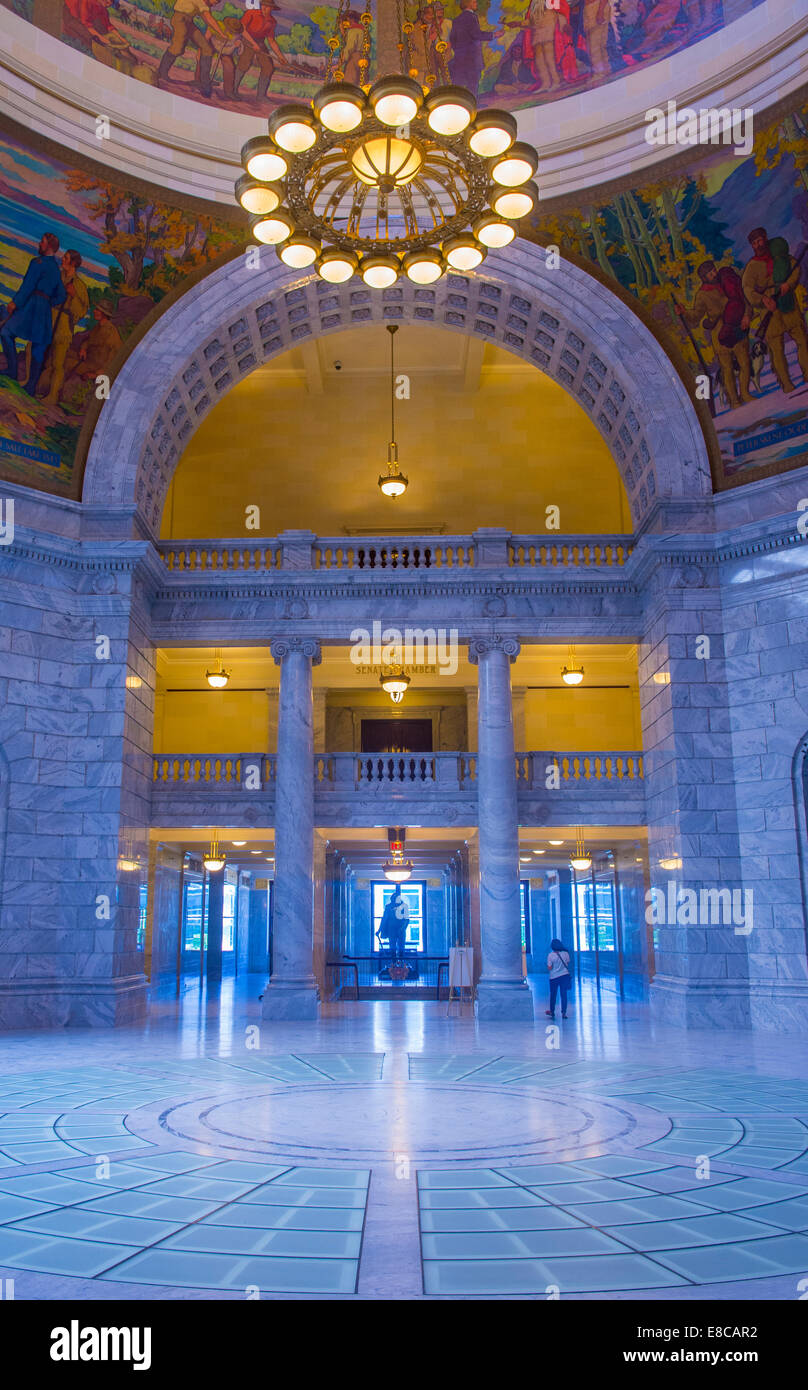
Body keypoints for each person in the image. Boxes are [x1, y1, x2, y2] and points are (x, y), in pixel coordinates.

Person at [675, 260, 753, 409]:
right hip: (719, 333)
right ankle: (734, 400)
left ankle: (745, 393)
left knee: (745, 362)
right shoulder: (702, 295)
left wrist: (747, 315)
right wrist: (684, 312)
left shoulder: (727, 281)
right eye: (710, 273)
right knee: (727, 367)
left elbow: (742, 299)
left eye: (713, 270)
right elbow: (696, 316)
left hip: (737, 326)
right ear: (704, 277)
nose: (714, 274)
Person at [742, 227, 808, 395]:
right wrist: (763, 299)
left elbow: (795, 268)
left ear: (765, 239)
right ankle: (786, 384)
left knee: (802, 340)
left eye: (760, 240)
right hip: (769, 310)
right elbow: (748, 289)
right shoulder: (751, 266)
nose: (758, 245)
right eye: (754, 243)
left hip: (788, 304)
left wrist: (788, 284)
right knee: (777, 350)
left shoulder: (779, 253)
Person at [1, 231, 66, 396]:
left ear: (49, 246)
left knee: (6, 332)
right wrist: (47, 303)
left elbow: (28, 286)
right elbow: (61, 295)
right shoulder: (55, 268)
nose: (39, 244)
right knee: (38, 346)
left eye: (42, 242)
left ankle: (12, 371)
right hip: (43, 311)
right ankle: (30, 387)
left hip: (31, 306)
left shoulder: (37, 262)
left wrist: (15, 302)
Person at [39, 249, 90, 407]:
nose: (62, 260)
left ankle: (52, 396)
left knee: (58, 363)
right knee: (35, 351)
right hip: (49, 319)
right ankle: (31, 383)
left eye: (66, 258)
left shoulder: (79, 286)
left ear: (73, 263)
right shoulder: (57, 277)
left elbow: (82, 311)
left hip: (64, 327)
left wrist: (74, 295)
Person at [156, 0, 230, 100]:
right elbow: (208, 18)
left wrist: (219, 34)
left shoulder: (204, 5)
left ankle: (205, 83)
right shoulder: (201, 2)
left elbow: (207, 19)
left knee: (207, 49)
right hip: (179, 19)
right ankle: (161, 72)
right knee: (177, 48)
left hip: (189, 21)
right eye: (215, 1)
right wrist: (221, 34)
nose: (215, 4)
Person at [221, 0, 287, 103]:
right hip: (247, 39)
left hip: (260, 42)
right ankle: (232, 90)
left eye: (268, 6)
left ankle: (261, 96)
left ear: (272, 9)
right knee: (244, 63)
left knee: (268, 67)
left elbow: (271, 40)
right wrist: (253, 44)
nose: (264, 8)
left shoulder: (272, 22)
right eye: (263, 5)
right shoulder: (251, 13)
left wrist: (280, 56)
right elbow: (242, 30)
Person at [449, 0, 502, 95]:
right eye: (474, 2)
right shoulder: (471, 17)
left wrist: (459, 52)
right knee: (473, 84)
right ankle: (473, 104)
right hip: (472, 58)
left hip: (460, 58)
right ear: (468, 3)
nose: (476, 3)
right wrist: (494, 34)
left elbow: (453, 39)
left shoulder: (457, 19)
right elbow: (476, 34)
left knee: (459, 84)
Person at [546, 937, 572, 1019]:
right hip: (564, 976)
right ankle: (564, 1013)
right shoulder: (566, 953)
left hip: (554, 977)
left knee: (553, 995)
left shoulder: (551, 955)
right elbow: (567, 963)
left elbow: (550, 968)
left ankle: (552, 1011)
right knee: (564, 994)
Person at [385, 887, 410, 963]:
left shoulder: (404, 906)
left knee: (401, 947)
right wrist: (380, 930)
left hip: (401, 930)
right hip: (391, 929)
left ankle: (401, 964)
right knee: (392, 947)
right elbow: (384, 919)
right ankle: (393, 964)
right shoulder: (388, 907)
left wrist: (402, 928)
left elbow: (407, 919)